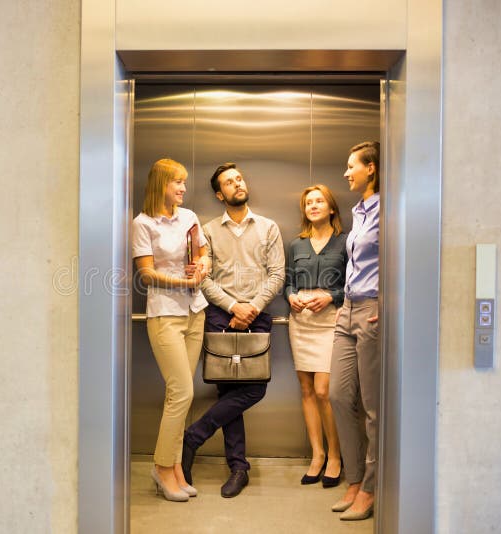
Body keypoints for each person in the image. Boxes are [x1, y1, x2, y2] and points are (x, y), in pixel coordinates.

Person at [181, 162, 285, 498]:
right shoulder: (208, 231)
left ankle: (192, 437)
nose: (237, 184)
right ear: (219, 193)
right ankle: (238, 467)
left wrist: (251, 307)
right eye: (229, 182)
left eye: (239, 178)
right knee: (228, 394)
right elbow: (205, 278)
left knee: (254, 389)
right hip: (220, 318)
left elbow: (277, 276)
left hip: (258, 316)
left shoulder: (268, 228)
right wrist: (232, 308)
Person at [132, 158, 210, 502]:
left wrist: (203, 269)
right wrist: (182, 280)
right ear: (161, 183)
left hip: (196, 312)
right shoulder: (142, 223)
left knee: (180, 393)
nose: (182, 187)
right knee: (182, 393)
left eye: (184, 182)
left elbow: (205, 254)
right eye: (177, 182)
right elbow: (146, 273)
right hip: (165, 315)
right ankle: (162, 467)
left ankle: (175, 468)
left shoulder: (189, 217)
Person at [329, 141, 381, 520]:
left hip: (373, 309)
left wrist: (387, 302)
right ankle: (355, 476)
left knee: (373, 407)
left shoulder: (388, 208)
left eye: (352, 166)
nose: (347, 173)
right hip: (347, 309)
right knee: (337, 396)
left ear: (372, 168)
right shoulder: (359, 210)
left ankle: (371, 487)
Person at [285, 184, 348, 488]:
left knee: (324, 390)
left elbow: (352, 283)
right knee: (307, 389)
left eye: (319, 201)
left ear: (331, 208)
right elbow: (288, 280)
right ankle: (317, 455)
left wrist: (331, 295)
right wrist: (291, 296)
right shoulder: (296, 244)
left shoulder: (345, 243)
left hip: (331, 321)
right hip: (301, 322)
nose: (313, 206)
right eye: (308, 202)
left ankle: (336, 456)